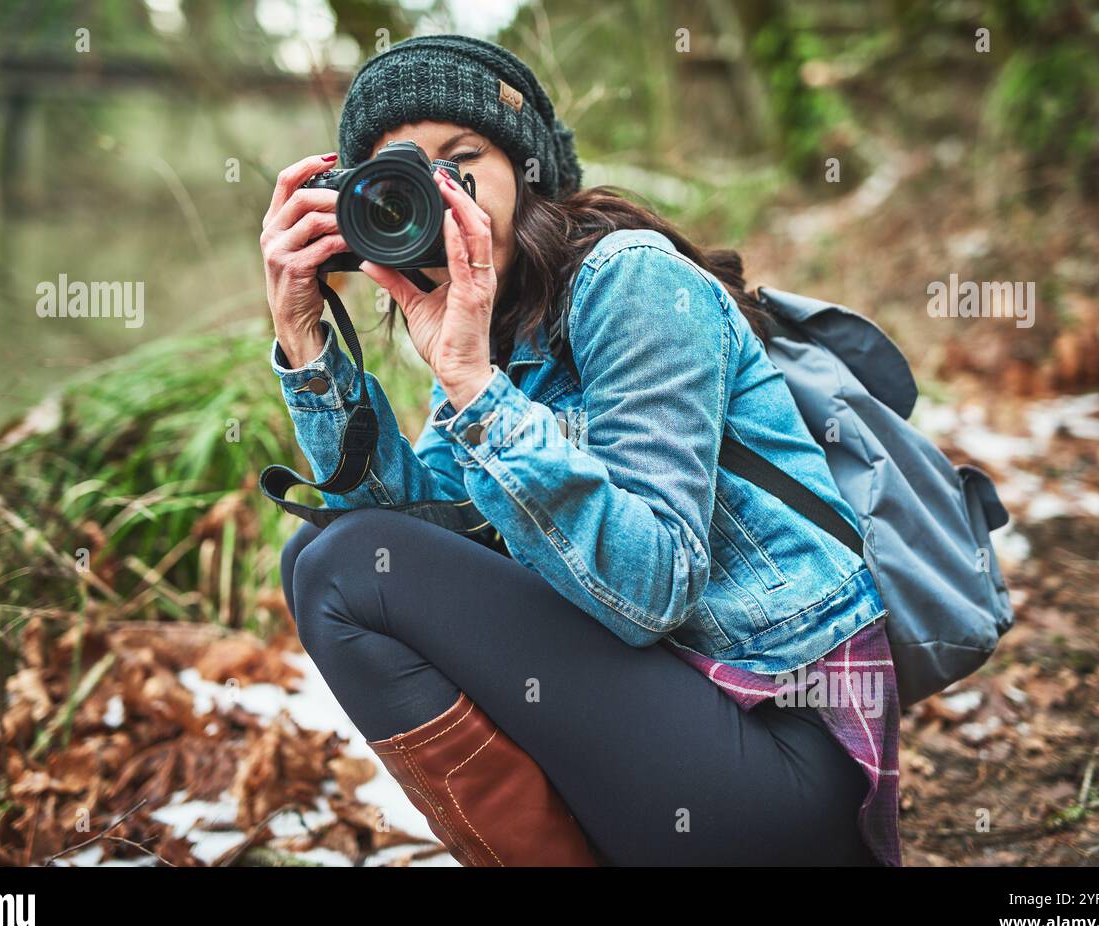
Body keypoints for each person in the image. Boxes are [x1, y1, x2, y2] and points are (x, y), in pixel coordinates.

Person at [261, 34, 898, 866]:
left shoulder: (632, 280)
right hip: (667, 748)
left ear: (528, 175)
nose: (442, 193)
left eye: (463, 161)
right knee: (317, 551)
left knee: (342, 562)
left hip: (780, 758)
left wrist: (475, 388)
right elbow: (415, 532)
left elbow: (656, 587)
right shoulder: (492, 326)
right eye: (405, 179)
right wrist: (307, 341)